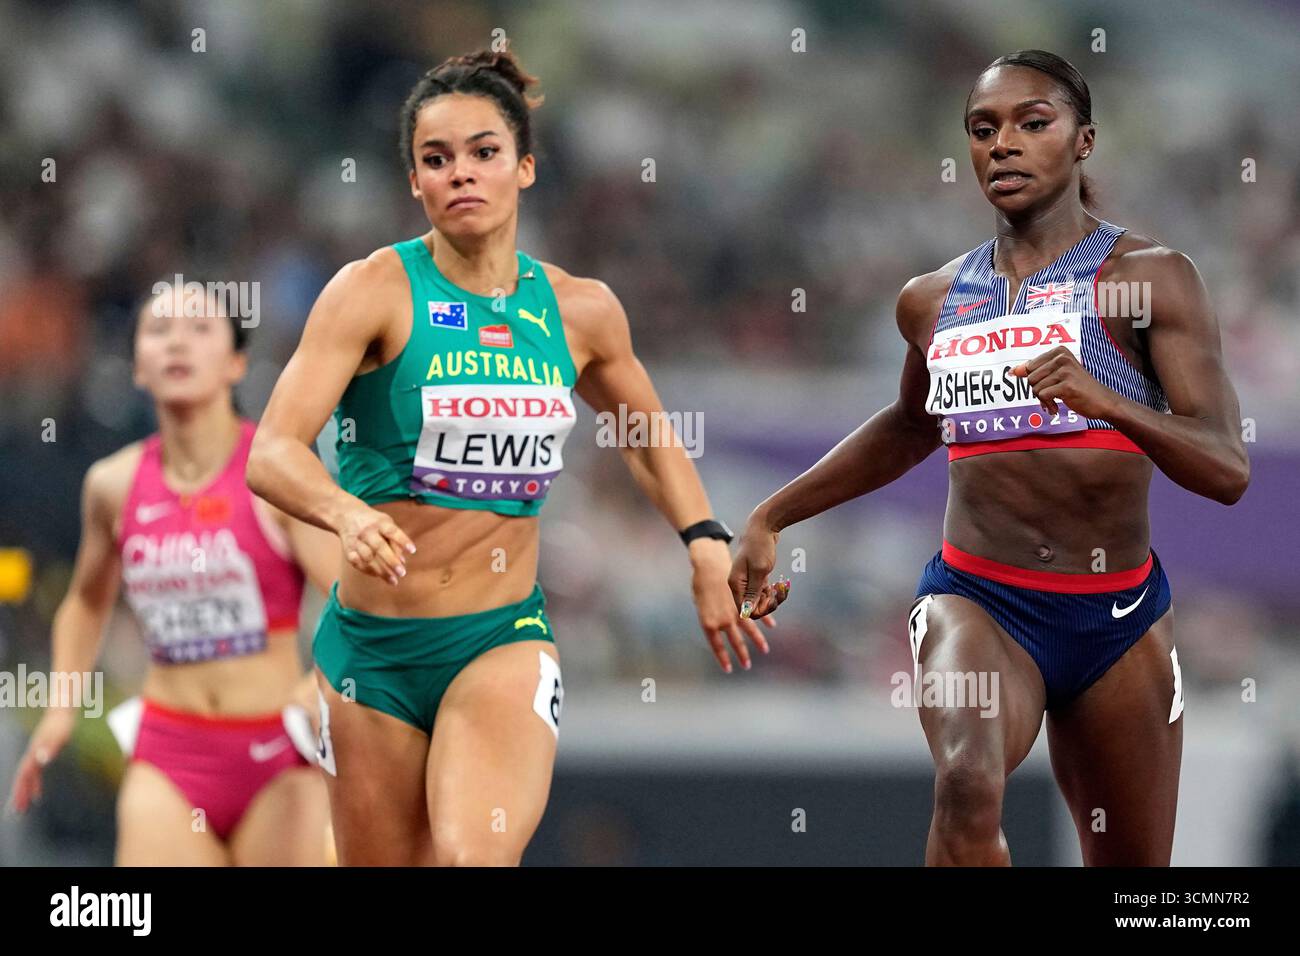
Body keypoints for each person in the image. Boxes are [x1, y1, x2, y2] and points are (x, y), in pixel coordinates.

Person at [246, 49, 776, 867]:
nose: (461, 173)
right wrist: (345, 513)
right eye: (436, 158)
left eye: (484, 152)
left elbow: (645, 434)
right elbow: (274, 451)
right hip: (370, 653)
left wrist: (705, 540)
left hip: (501, 636)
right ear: (414, 183)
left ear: (525, 168)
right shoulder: (372, 291)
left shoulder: (580, 311)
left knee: (471, 858)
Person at [730, 50, 1249, 866]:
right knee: (967, 784)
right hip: (980, 601)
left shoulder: (1150, 280)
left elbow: (1226, 468)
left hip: (1116, 617)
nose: (1002, 144)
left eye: (1031, 124)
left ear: (1082, 141)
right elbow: (910, 425)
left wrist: (1108, 399)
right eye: (983, 129)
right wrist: (771, 514)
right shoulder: (933, 299)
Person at [8, 285, 338, 865]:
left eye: (200, 329)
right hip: (169, 754)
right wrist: (61, 709)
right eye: (159, 331)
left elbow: (354, 600)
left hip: (277, 753)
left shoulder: (278, 476)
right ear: (137, 365)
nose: (177, 342)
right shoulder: (113, 485)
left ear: (237, 361)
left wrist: (321, 685)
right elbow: (86, 601)